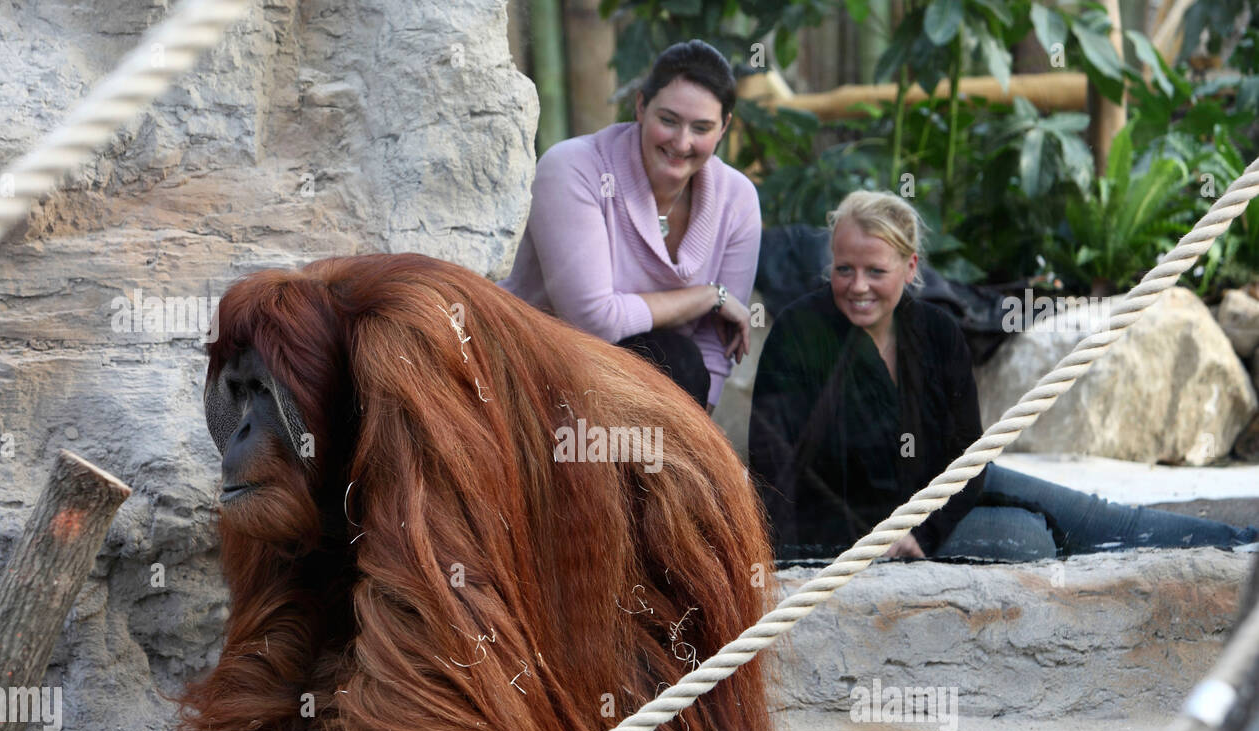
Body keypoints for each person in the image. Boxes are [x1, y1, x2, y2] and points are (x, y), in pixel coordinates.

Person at [749, 190, 1258, 562]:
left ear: (909, 267)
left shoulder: (937, 331)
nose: (857, 286)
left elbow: (966, 456)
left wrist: (925, 533)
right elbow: (777, 471)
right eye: (844, 269)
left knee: (1100, 515)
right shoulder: (800, 333)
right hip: (843, 531)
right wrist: (874, 538)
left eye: (875, 271)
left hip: (935, 496)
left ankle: (1243, 543)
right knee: (1027, 538)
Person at [501, 40, 758, 413]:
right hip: (539, 367)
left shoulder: (739, 199)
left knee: (678, 362)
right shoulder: (574, 168)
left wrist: (697, 441)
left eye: (701, 127)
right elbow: (591, 321)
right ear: (641, 106)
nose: (681, 142)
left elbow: (716, 346)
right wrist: (708, 296)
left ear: (724, 127)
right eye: (668, 120)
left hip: (661, 382)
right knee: (666, 358)